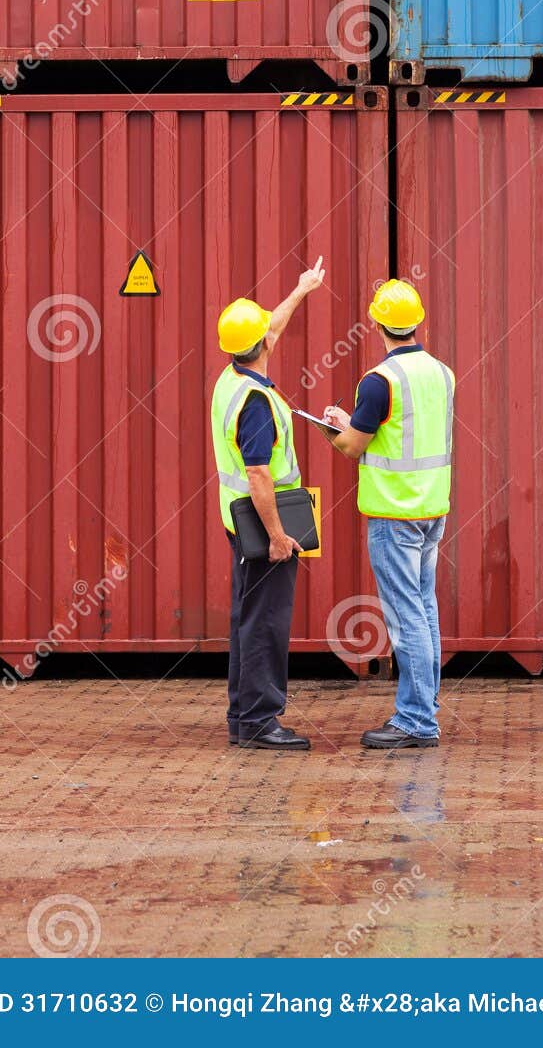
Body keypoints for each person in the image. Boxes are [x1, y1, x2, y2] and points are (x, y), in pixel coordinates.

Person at [323, 280, 454, 751]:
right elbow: (404, 432)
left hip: (393, 513)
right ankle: (426, 707)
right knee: (425, 610)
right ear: (419, 321)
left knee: (405, 617)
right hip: (431, 508)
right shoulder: (442, 373)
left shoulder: (379, 381)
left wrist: (331, 431)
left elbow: (353, 446)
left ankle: (417, 721)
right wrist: (354, 421)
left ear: (376, 324)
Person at [211, 258, 326, 751]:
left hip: (239, 523)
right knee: (266, 622)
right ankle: (260, 722)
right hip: (264, 526)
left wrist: (301, 290)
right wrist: (280, 536)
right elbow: (259, 473)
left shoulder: (232, 377)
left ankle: (244, 717)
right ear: (260, 347)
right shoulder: (256, 403)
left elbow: (269, 327)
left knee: (248, 617)